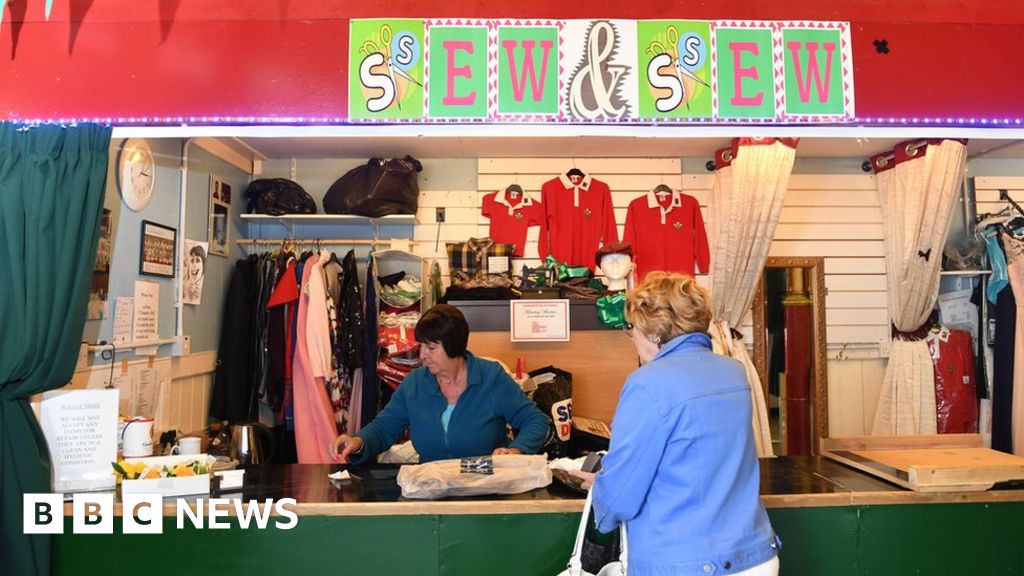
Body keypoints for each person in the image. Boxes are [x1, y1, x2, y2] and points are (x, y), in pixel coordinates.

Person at [572, 273, 780, 576]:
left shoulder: (648, 384)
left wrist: (603, 488)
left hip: (685, 564)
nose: (631, 337)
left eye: (631, 328)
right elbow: (702, 460)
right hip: (756, 555)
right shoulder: (734, 372)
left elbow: (620, 498)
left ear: (653, 331)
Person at [332, 304, 550, 464]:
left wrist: (517, 450)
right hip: (431, 486)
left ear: (454, 346)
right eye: (421, 347)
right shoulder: (414, 384)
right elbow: (383, 429)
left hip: (485, 488)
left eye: (431, 348)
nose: (423, 355)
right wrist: (358, 441)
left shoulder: (491, 377)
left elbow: (535, 420)